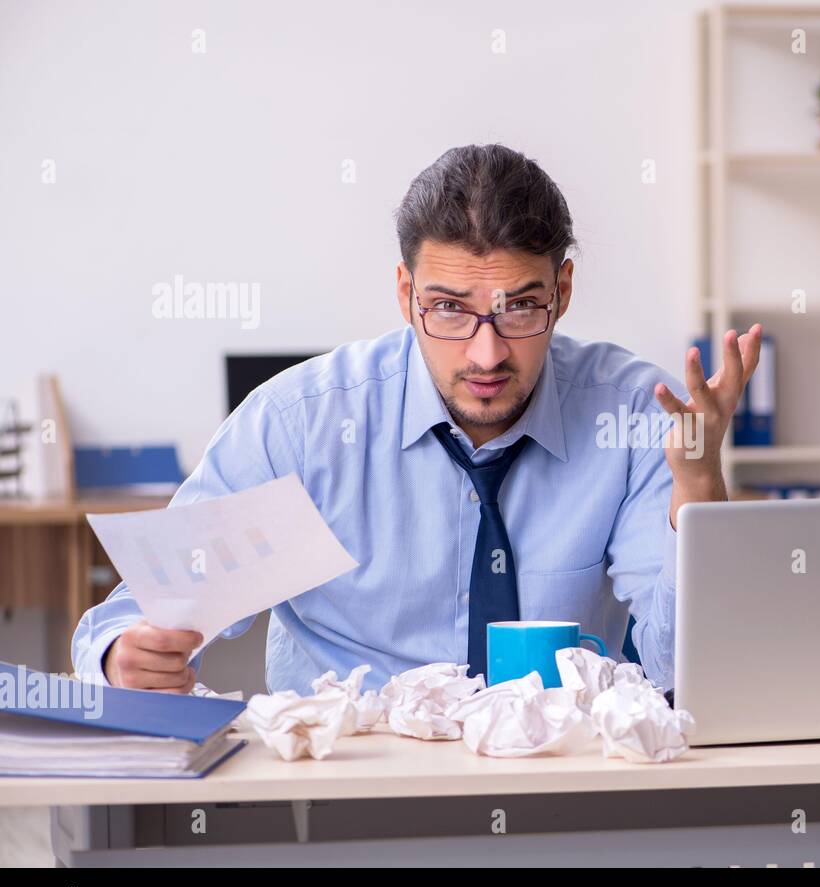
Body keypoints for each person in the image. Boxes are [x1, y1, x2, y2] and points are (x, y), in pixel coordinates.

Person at [71, 143, 761, 696]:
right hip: (346, 797)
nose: (486, 354)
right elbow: (131, 618)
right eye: (450, 308)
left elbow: (684, 668)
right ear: (405, 293)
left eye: (520, 307)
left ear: (564, 290)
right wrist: (123, 658)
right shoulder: (301, 425)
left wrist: (698, 489)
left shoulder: (640, 413)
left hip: (561, 790)